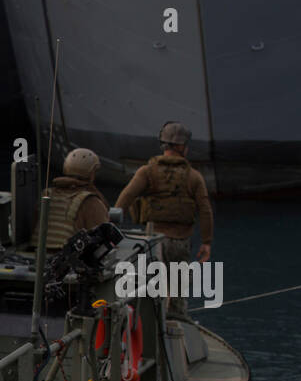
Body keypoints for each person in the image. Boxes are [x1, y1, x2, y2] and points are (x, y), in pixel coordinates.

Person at [114, 121, 214, 318]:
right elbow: (205, 210)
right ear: (181, 147)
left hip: (152, 241)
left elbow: (125, 199)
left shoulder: (147, 172)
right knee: (177, 295)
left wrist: (112, 228)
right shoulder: (194, 177)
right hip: (179, 242)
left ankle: (149, 330)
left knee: (149, 291)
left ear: (164, 145)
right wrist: (207, 242)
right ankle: (176, 330)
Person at [37, 147, 109, 249]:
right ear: (92, 173)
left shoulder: (45, 194)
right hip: (67, 257)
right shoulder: (91, 202)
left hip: (35, 254)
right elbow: (103, 238)